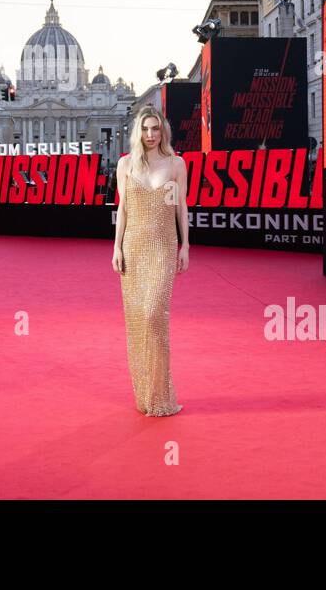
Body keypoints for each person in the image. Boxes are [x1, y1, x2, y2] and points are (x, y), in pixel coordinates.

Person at [112, 106, 188, 417]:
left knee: (155, 312)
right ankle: (146, 393)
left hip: (164, 247)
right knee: (139, 320)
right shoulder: (125, 165)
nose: (151, 135)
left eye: (156, 129)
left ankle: (162, 393)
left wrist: (185, 246)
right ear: (138, 133)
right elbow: (124, 211)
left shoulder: (176, 164)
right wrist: (116, 248)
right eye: (145, 130)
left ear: (163, 131)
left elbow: (181, 207)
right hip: (133, 246)